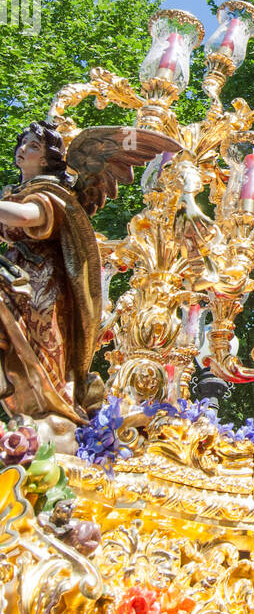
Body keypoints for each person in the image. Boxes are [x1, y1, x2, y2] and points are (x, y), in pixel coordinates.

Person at [0, 120, 176, 453]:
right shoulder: (13, 194)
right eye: (23, 143)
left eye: (34, 146)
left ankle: (54, 412)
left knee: (40, 359)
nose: (24, 148)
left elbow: (26, 217)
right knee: (16, 358)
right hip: (15, 278)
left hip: (41, 290)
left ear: (50, 159)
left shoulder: (51, 193)